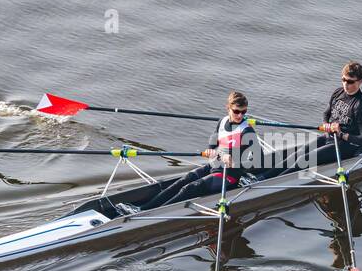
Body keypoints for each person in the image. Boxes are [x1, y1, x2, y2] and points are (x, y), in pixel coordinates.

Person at [111, 91, 260, 215]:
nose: (240, 115)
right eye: (236, 111)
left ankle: (149, 213)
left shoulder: (247, 131)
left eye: (244, 112)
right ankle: (142, 208)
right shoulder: (222, 122)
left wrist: (235, 162)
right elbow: (213, 142)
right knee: (185, 179)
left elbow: (257, 159)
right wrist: (212, 150)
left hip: (229, 175)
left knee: (190, 188)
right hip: (214, 166)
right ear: (228, 108)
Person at [318, 61, 362, 156]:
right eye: (343, 79)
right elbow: (326, 113)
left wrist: (340, 134)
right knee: (299, 154)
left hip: (346, 145)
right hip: (329, 136)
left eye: (350, 81)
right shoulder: (338, 92)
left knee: (304, 159)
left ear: (360, 82)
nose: (345, 84)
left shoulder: (360, 105)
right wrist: (326, 124)